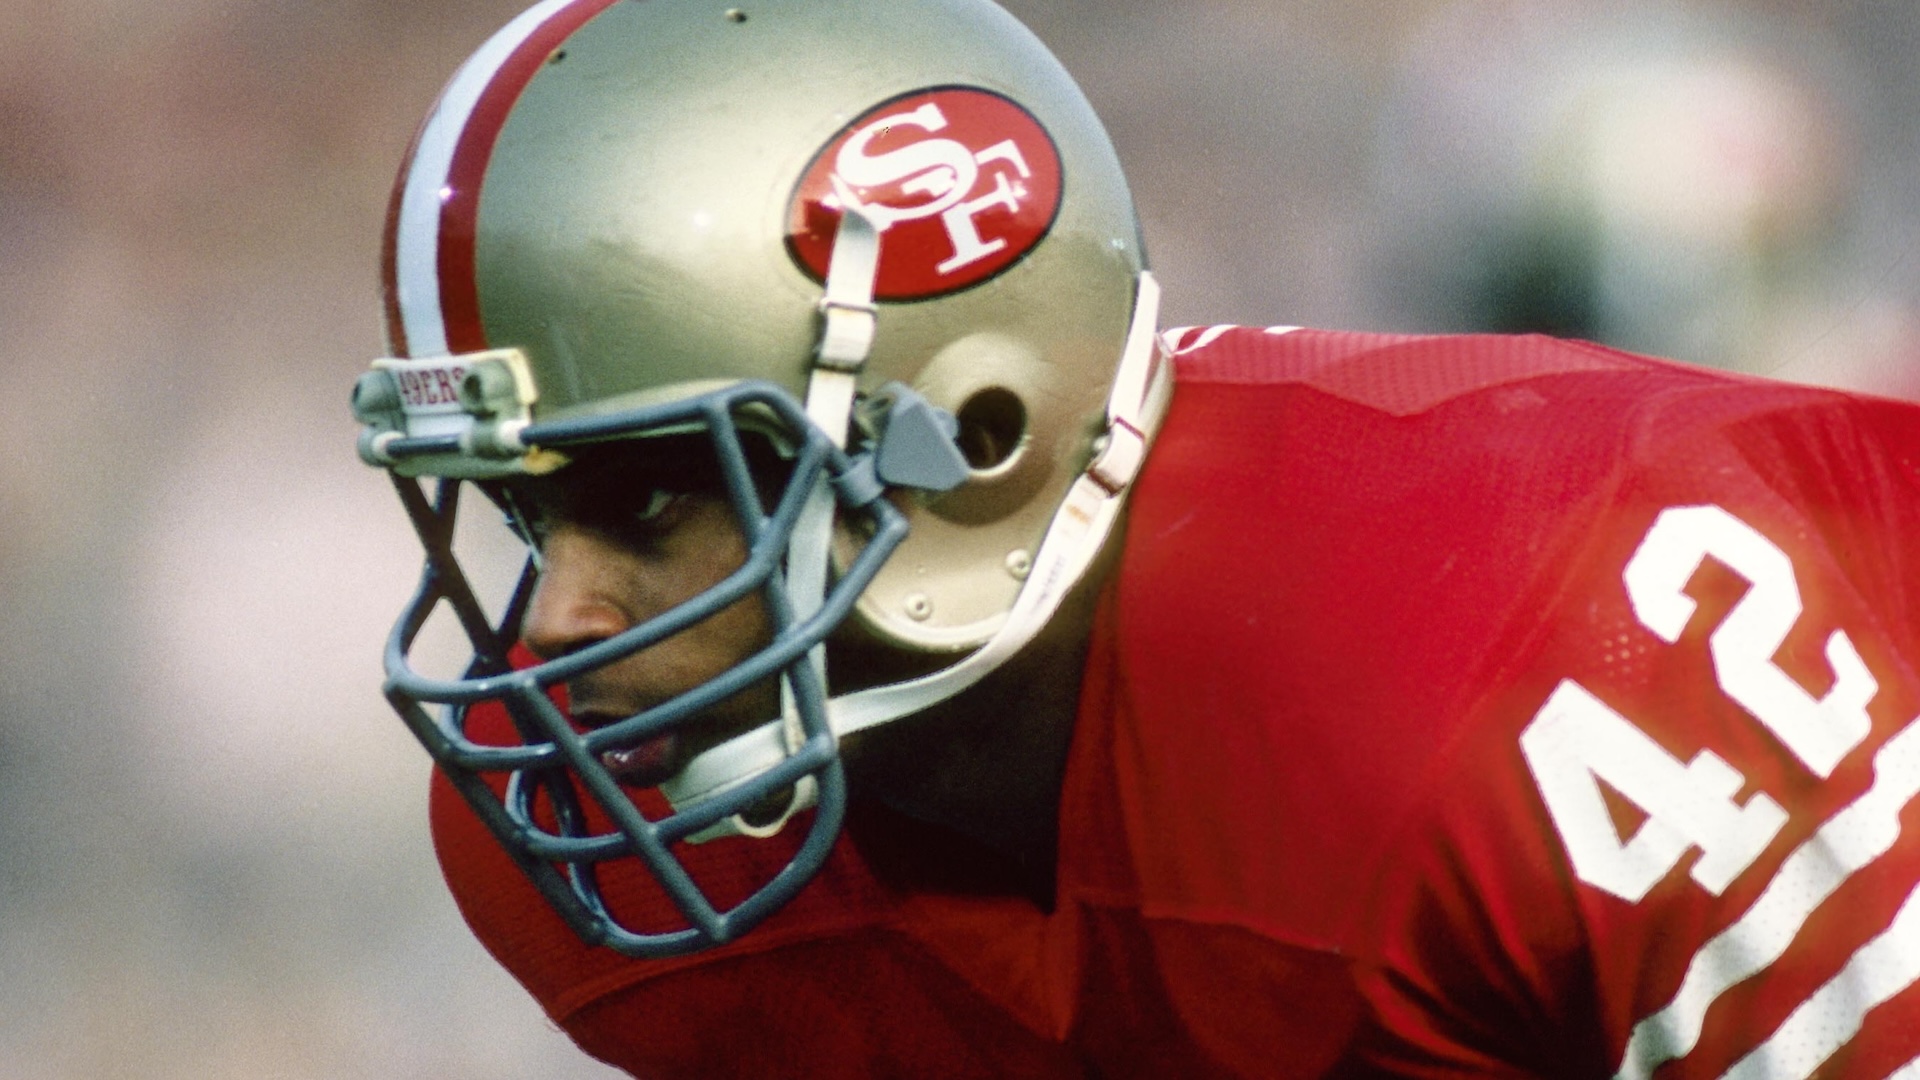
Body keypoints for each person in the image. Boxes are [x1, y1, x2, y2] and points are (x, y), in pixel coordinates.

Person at [350, 0, 1920, 1076]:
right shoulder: (594, 854)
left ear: (974, 431)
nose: (555, 620)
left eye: (645, 497)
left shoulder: (1553, 635)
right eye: (525, 509)